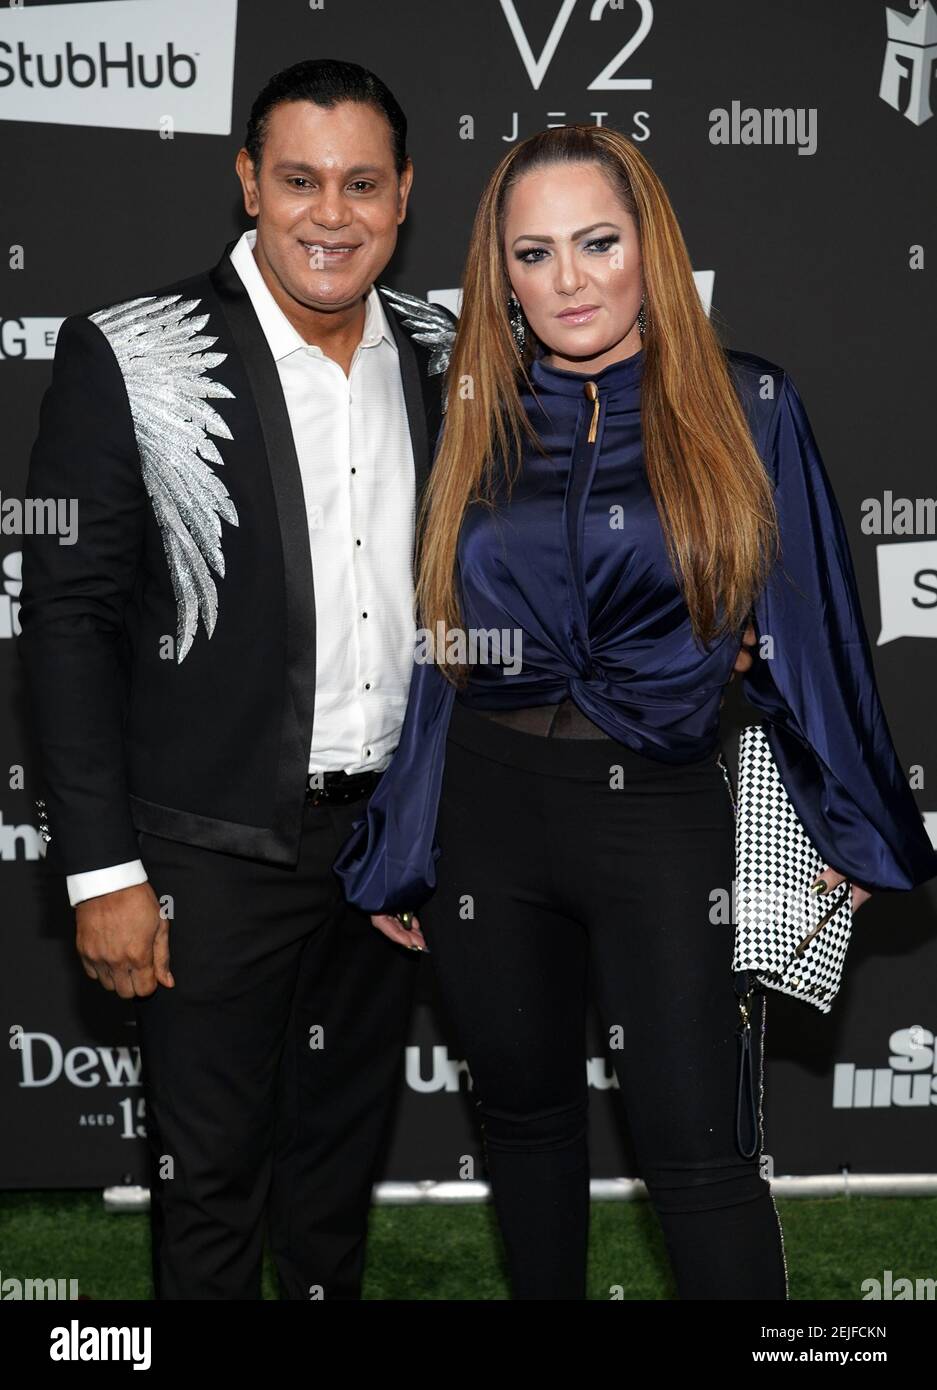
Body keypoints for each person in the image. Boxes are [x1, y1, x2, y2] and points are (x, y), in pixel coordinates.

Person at [334, 123, 937, 1300]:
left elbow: (814, 636)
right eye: (534, 252)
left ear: (647, 244)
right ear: (497, 270)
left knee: (700, 1159)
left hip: (659, 817)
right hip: (488, 815)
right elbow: (436, 647)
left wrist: (852, 822)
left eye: (596, 242)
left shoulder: (747, 401)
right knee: (523, 1128)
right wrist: (403, 840)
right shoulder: (469, 405)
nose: (568, 280)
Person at [18, 58, 459, 1300]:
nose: (332, 214)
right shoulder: (131, 353)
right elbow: (66, 623)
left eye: (362, 184)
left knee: (332, 1187)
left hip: (387, 849)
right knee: (209, 1192)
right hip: (207, 852)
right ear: (247, 184)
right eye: (301, 180)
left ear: (404, 193)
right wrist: (105, 873)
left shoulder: (443, 348)